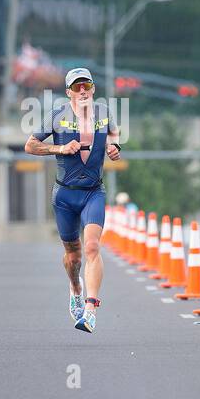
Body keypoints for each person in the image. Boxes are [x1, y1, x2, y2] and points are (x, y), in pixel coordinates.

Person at [23, 67, 121, 333]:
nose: (82, 91)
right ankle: (76, 287)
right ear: (68, 93)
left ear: (92, 89)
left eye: (86, 86)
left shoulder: (104, 113)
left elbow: (114, 133)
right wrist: (60, 148)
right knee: (73, 256)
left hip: (93, 192)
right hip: (65, 195)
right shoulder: (57, 116)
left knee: (91, 247)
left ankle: (90, 310)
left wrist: (115, 147)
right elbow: (30, 145)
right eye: (76, 87)